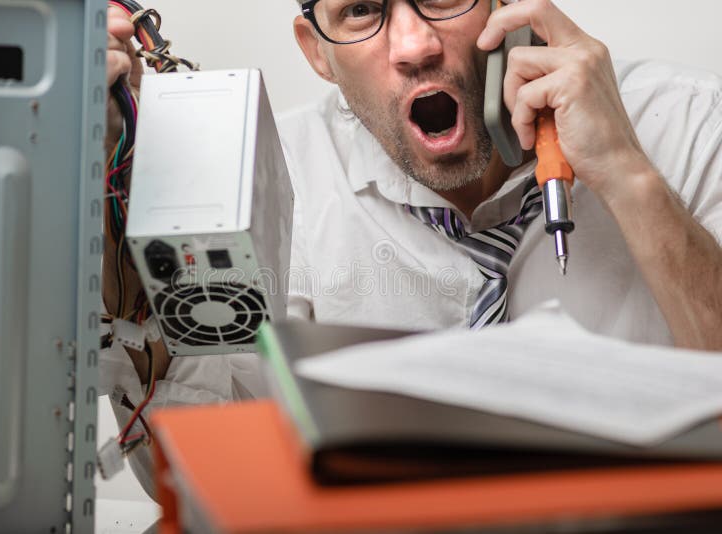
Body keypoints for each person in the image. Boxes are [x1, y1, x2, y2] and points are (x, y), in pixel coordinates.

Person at [102, 0, 722, 497]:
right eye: (362, 12)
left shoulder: (688, 124)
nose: (414, 47)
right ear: (317, 51)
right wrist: (117, 241)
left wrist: (626, 174)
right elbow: (190, 474)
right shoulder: (273, 178)